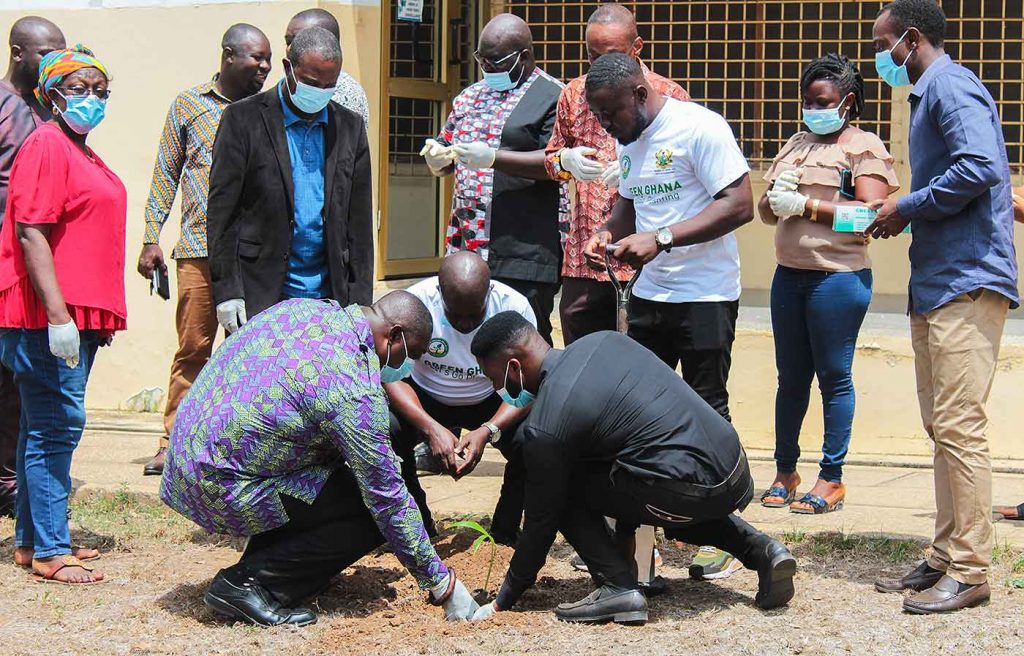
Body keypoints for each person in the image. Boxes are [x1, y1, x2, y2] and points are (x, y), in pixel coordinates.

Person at [161, 291, 479, 626]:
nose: (404, 367)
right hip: (217, 487)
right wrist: (443, 585)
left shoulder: (305, 308)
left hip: (187, 460)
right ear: (394, 335)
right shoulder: (352, 388)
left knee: (334, 478)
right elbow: (387, 499)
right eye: (409, 355)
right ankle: (253, 584)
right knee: (370, 510)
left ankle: (260, 565)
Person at [466, 312, 797, 624]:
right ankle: (764, 550)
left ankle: (618, 587)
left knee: (559, 490)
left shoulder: (547, 425)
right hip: (734, 468)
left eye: (495, 379)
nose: (501, 391)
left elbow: (540, 521)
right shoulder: (604, 341)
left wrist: (504, 598)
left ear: (513, 367)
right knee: (664, 491)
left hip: (687, 488)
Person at [867, 0, 1019, 615]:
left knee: (960, 428)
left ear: (910, 37)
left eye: (882, 42)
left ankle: (973, 569)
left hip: (967, 279)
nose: (879, 56)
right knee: (942, 429)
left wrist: (905, 206)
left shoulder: (951, 87)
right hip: (936, 281)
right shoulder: (926, 95)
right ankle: (944, 555)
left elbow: (981, 167)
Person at [0, 46, 125, 584]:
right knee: (56, 428)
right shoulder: (48, 145)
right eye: (78, 90)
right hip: (48, 317)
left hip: (78, 315)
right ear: (49, 95)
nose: (91, 99)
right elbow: (32, 230)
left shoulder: (80, 149)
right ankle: (53, 550)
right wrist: (58, 318)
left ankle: (32, 542)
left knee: (39, 427)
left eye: (100, 91)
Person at [756, 54, 900, 515]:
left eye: (823, 101)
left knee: (834, 379)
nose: (813, 108)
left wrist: (807, 206)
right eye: (807, 100)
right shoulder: (796, 144)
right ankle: (785, 471)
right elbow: (765, 211)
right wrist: (776, 200)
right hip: (789, 277)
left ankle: (831, 477)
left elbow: (870, 215)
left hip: (837, 280)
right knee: (789, 380)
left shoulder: (863, 147)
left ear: (848, 102)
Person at [583, 53, 753, 422]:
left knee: (706, 409)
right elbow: (629, 204)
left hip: (705, 295)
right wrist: (606, 233)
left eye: (611, 113)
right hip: (649, 294)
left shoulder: (700, 127)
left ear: (641, 93)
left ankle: (719, 481)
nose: (606, 124)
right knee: (642, 407)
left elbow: (739, 205)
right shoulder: (627, 139)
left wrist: (660, 238)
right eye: (598, 116)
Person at [136, 24, 272, 477]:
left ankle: (240, 445)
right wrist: (151, 235)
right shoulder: (189, 105)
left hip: (249, 256)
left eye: (269, 59)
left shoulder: (267, 111)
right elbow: (165, 172)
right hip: (197, 249)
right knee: (194, 349)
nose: (265, 67)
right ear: (228, 56)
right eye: (256, 58)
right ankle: (172, 443)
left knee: (247, 354)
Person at [207, 26, 372, 333]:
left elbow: (359, 226)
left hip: (329, 298)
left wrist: (361, 303)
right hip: (261, 292)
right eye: (311, 83)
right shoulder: (243, 119)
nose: (319, 91)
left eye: (329, 85)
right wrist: (227, 291)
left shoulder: (349, 128)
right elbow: (222, 213)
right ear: (288, 68)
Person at [545, 3, 689, 346]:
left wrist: (639, 173)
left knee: (642, 362)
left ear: (636, 48)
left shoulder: (669, 96)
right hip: (586, 256)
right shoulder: (573, 94)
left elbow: (686, 175)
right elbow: (550, 160)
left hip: (646, 259)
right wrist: (566, 161)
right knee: (583, 358)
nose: (601, 65)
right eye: (593, 56)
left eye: (612, 54)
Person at [420, 13, 567, 345]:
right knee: (468, 338)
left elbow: (554, 162)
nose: (488, 69)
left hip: (523, 247)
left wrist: (493, 158)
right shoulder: (470, 97)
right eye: (482, 61)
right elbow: (447, 148)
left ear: (525, 56)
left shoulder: (553, 97)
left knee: (523, 340)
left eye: (497, 62)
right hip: (468, 246)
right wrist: (437, 158)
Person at [387, 251, 534, 545]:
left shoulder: (513, 307)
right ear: (439, 291)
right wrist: (430, 428)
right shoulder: (414, 304)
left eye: (474, 315)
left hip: (491, 395)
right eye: (455, 315)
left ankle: (505, 531)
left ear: (489, 292)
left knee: (530, 441)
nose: (465, 325)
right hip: (424, 396)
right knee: (387, 433)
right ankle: (418, 526)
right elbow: (392, 377)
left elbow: (528, 385)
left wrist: (487, 429)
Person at [0, 16, 65, 519]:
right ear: (19, 53)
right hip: (4, 259)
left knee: (25, 378)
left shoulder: (53, 112)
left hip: (37, 270)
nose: (57, 59)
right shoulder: (3, 105)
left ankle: (12, 479)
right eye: (47, 51)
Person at [285, 8, 370, 133]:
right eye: (288, 42)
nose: (290, 49)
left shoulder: (341, 92)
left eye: (301, 41)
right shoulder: (293, 79)